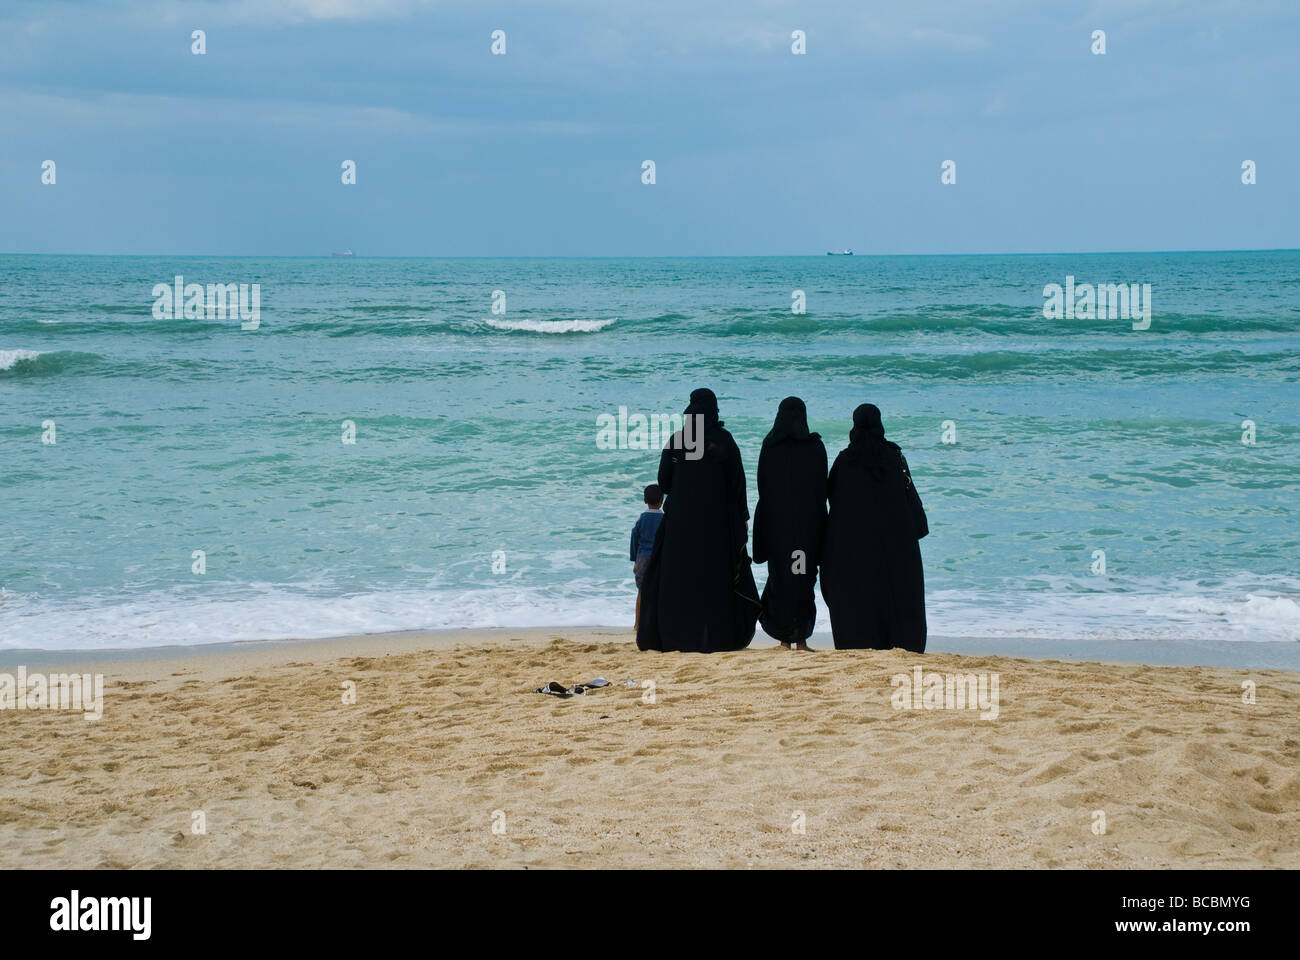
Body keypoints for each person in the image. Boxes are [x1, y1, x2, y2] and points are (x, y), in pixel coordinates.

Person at [635, 388, 761, 653]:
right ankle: (713, 638)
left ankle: (677, 637)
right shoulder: (725, 441)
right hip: (716, 522)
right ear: (714, 411)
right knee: (713, 578)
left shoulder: (677, 440)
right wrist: (743, 518)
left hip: (680, 520)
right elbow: (737, 483)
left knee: (680, 577)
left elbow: (664, 482)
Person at [821, 403, 928, 652]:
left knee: (860, 592)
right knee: (894, 591)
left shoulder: (845, 460)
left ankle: (859, 639)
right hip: (895, 544)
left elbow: (833, 497)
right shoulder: (894, 457)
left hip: (854, 545)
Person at [752, 397, 827, 650]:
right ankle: (802, 639)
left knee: (781, 578)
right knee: (803, 580)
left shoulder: (770, 445)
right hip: (806, 527)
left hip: (777, 526)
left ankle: (785, 639)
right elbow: (822, 490)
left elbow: (762, 485)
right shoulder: (815, 447)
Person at [629, 484, 664, 632]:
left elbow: (634, 539)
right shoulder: (665, 519)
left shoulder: (641, 519)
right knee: (660, 592)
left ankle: (638, 624)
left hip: (643, 559)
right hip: (659, 559)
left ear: (644, 500)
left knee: (642, 592)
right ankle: (659, 624)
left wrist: (635, 561)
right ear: (662, 500)